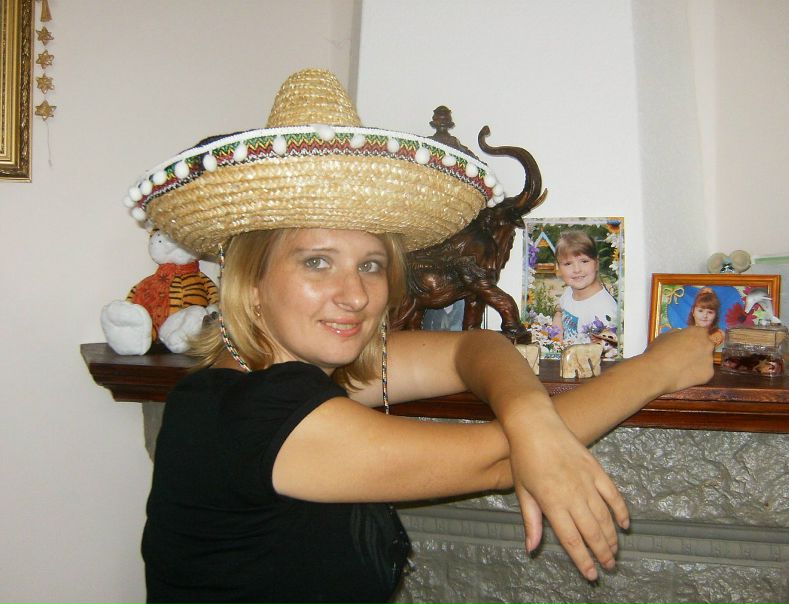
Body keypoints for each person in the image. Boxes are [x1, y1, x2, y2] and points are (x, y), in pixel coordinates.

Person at [127, 69, 715, 603]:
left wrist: (530, 414)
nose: (355, 295)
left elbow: (474, 347)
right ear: (252, 282)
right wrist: (660, 366)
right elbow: (496, 461)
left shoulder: (285, 373)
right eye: (316, 262)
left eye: (371, 265)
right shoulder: (247, 414)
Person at [551, 230, 619, 345]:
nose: (577, 269)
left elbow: (606, 350)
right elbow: (560, 311)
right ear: (558, 267)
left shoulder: (604, 309)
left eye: (584, 261)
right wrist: (557, 326)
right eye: (568, 264)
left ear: (596, 263)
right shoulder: (569, 292)